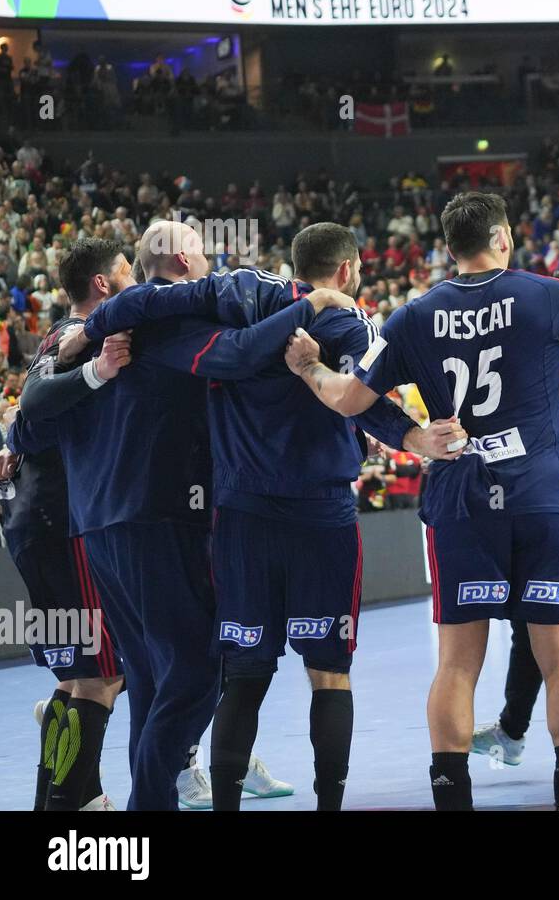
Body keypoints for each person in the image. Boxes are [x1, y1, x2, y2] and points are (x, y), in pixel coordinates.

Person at [283, 191, 559, 811]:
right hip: (538, 495)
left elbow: (349, 398)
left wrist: (313, 372)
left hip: (460, 497)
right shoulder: (548, 294)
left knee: (456, 664)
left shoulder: (413, 314)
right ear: (503, 237)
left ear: (449, 248)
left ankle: (454, 801)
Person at [72, 222, 452, 810]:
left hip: (237, 519)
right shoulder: (336, 317)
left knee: (243, 673)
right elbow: (364, 389)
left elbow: (155, 305)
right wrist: (412, 436)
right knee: (328, 672)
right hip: (320, 515)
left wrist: (88, 328)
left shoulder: (204, 316)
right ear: (348, 270)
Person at [25, 223, 330, 810]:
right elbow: (238, 355)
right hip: (156, 516)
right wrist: (312, 303)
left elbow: (30, 416)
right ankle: (148, 807)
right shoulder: (160, 320)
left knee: (147, 681)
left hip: (98, 527)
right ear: (187, 258)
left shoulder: (76, 335)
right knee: (195, 673)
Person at [0, 238, 132, 811]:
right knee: (102, 679)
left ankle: (57, 803)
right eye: (126, 271)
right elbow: (28, 405)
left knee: (73, 679)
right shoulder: (91, 339)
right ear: (102, 285)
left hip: (29, 520)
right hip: (64, 522)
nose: (134, 279)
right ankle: (67, 812)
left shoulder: (55, 336)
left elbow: (21, 412)